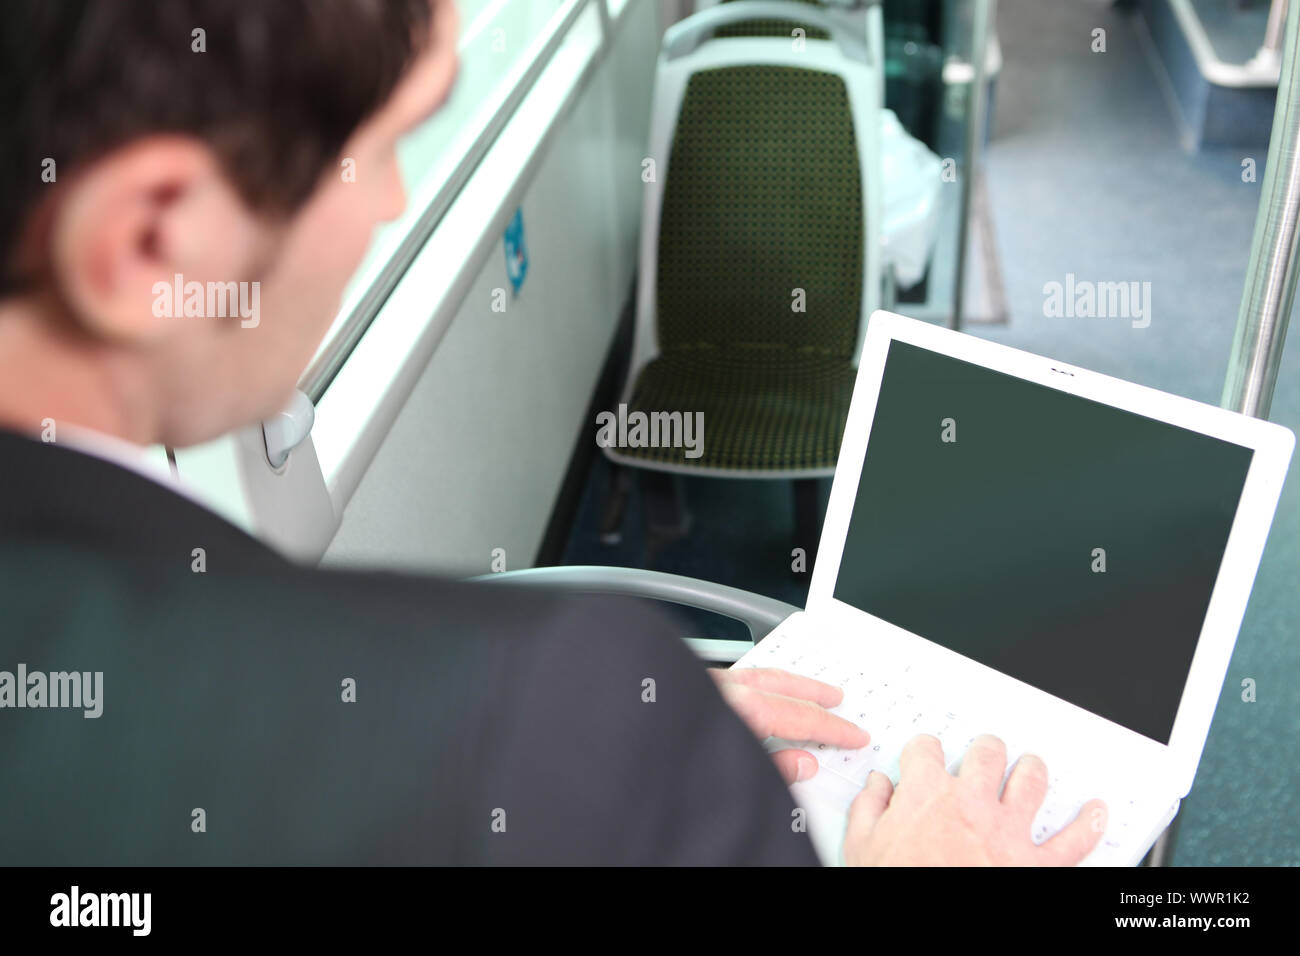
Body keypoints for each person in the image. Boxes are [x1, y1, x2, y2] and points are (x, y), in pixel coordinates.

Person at [0, 0, 1104, 865]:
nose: (389, 204)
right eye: (381, 149)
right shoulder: (540, 713)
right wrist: (578, 751)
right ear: (149, 241)